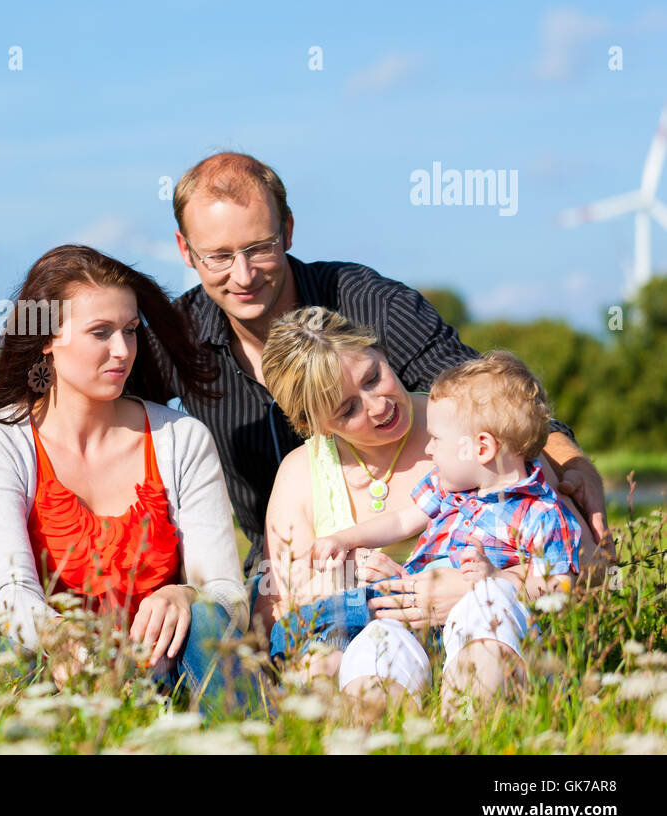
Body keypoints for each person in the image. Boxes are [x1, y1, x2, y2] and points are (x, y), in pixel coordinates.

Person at [156, 151, 610, 575]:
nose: (243, 274)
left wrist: (575, 466)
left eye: (259, 247)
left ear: (288, 229)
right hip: (278, 563)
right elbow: (100, 413)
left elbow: (489, 401)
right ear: (185, 250)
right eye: (218, 256)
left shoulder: (376, 307)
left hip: (443, 553)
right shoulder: (173, 338)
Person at [260, 307, 598, 717]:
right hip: (381, 627)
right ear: (315, 425)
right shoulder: (300, 474)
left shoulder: (468, 423)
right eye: (347, 409)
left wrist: (486, 583)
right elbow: (282, 603)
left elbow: (583, 564)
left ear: (381, 350)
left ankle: (471, 723)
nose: (378, 405)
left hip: (484, 618)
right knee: (324, 665)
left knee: (485, 643)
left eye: (373, 377)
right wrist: (350, 574)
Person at [0, 245, 250, 710]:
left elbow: (230, 595)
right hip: (55, 670)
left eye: (131, 331)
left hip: (166, 668)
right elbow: (11, 592)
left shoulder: (181, 437)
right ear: (46, 339)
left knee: (212, 622)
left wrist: (184, 593)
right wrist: (61, 636)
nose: (123, 351)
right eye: (101, 333)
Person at [312, 351, 581, 594]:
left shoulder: (541, 514)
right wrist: (344, 538)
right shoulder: (445, 486)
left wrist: (497, 580)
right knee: (346, 606)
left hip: (478, 615)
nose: (428, 449)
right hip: (413, 601)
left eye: (436, 439)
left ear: (482, 447)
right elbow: (400, 522)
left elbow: (559, 584)